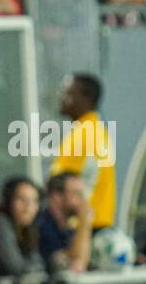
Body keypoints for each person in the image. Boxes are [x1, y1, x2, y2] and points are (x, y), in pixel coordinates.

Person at [49, 73, 115, 230]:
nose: (62, 97)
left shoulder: (83, 134)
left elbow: (59, 184)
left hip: (81, 227)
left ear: (86, 97)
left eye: (68, 92)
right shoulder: (97, 130)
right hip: (98, 222)